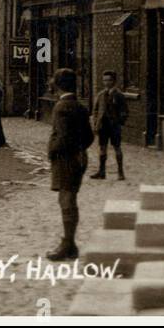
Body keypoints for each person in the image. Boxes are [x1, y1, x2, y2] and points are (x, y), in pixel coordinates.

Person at [46, 67, 93, 261]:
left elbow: (63, 136)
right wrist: (80, 148)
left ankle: (67, 245)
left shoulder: (61, 107)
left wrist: (52, 150)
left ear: (58, 84)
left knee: (66, 201)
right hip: (78, 157)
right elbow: (90, 136)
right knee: (69, 199)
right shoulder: (80, 106)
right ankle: (70, 244)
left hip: (65, 160)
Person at [91, 70, 128, 180]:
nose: (106, 82)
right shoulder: (101, 95)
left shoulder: (119, 95)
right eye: (104, 80)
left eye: (109, 80)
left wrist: (120, 122)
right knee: (102, 148)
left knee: (117, 147)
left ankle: (120, 172)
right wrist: (96, 123)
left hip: (114, 126)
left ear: (114, 81)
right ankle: (102, 172)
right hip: (103, 126)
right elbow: (96, 110)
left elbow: (124, 111)